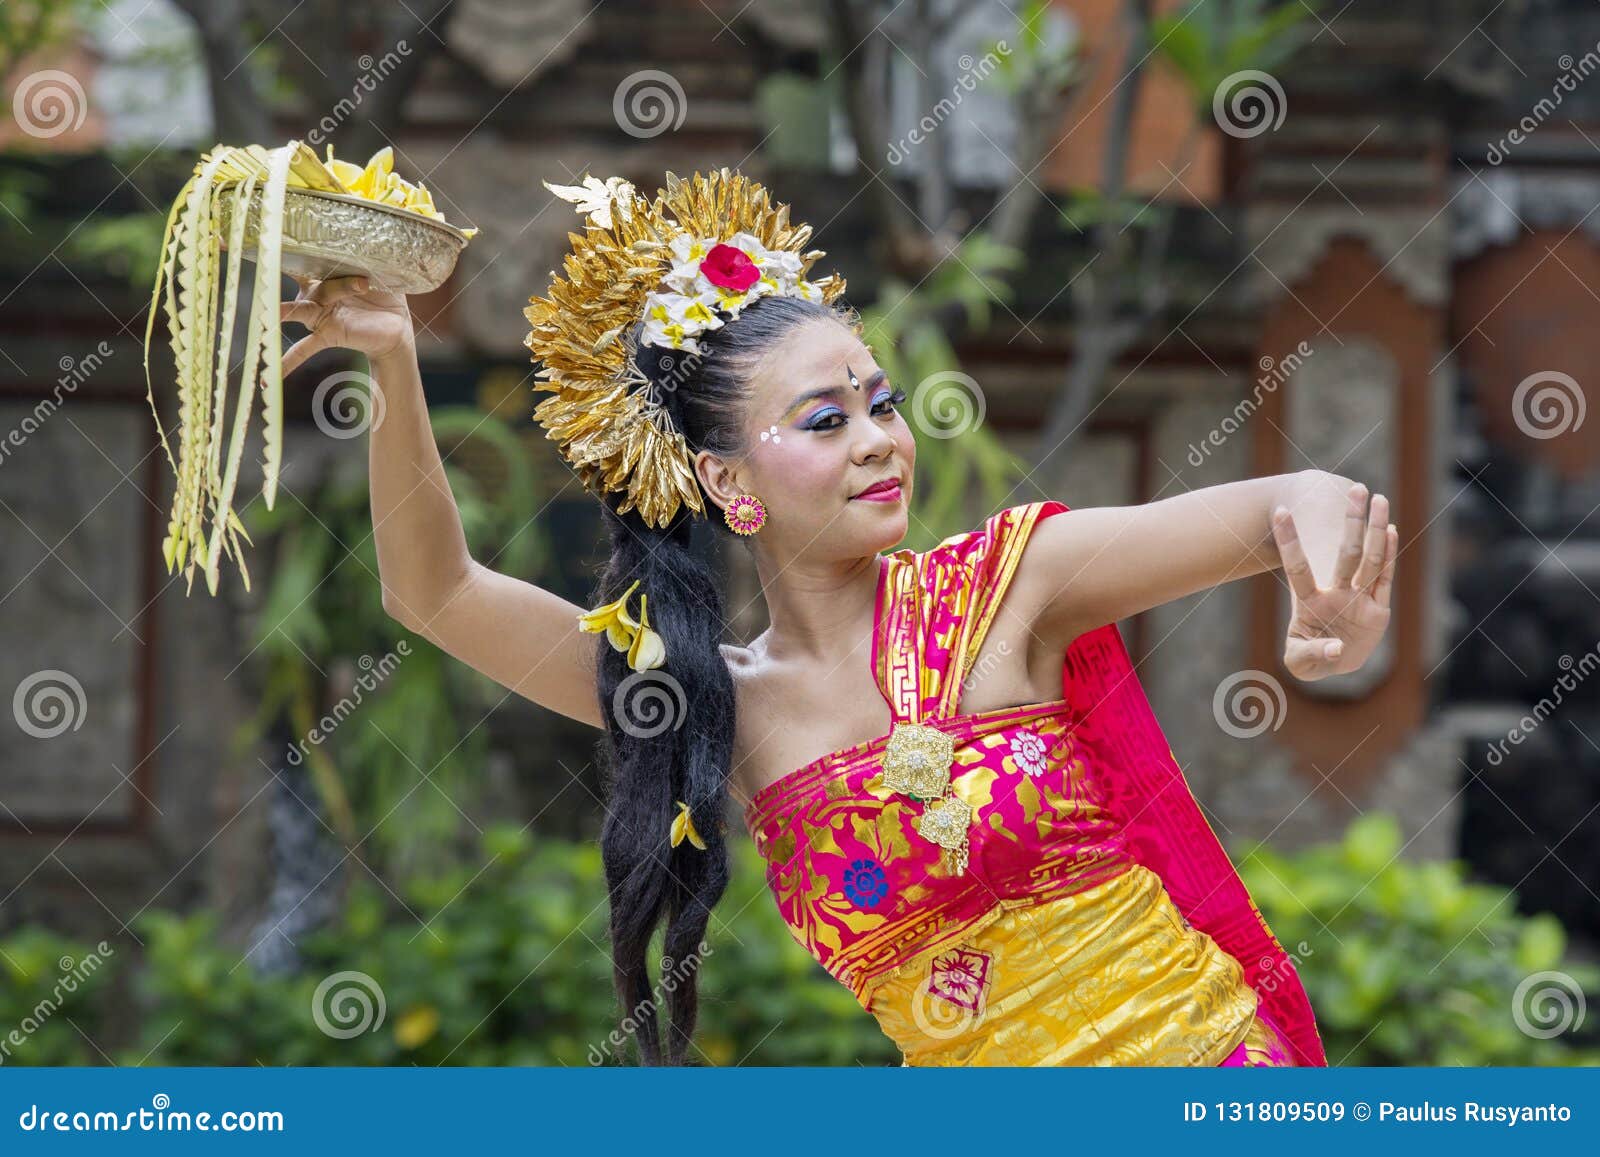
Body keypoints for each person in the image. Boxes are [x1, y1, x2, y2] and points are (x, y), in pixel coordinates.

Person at [275, 169, 1397, 1068]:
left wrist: (1327, 579)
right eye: (825, 418)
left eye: (882, 403)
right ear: (725, 482)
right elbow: (435, 593)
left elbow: (1292, 501)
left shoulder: (1010, 583)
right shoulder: (715, 705)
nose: (878, 438)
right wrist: (395, 359)